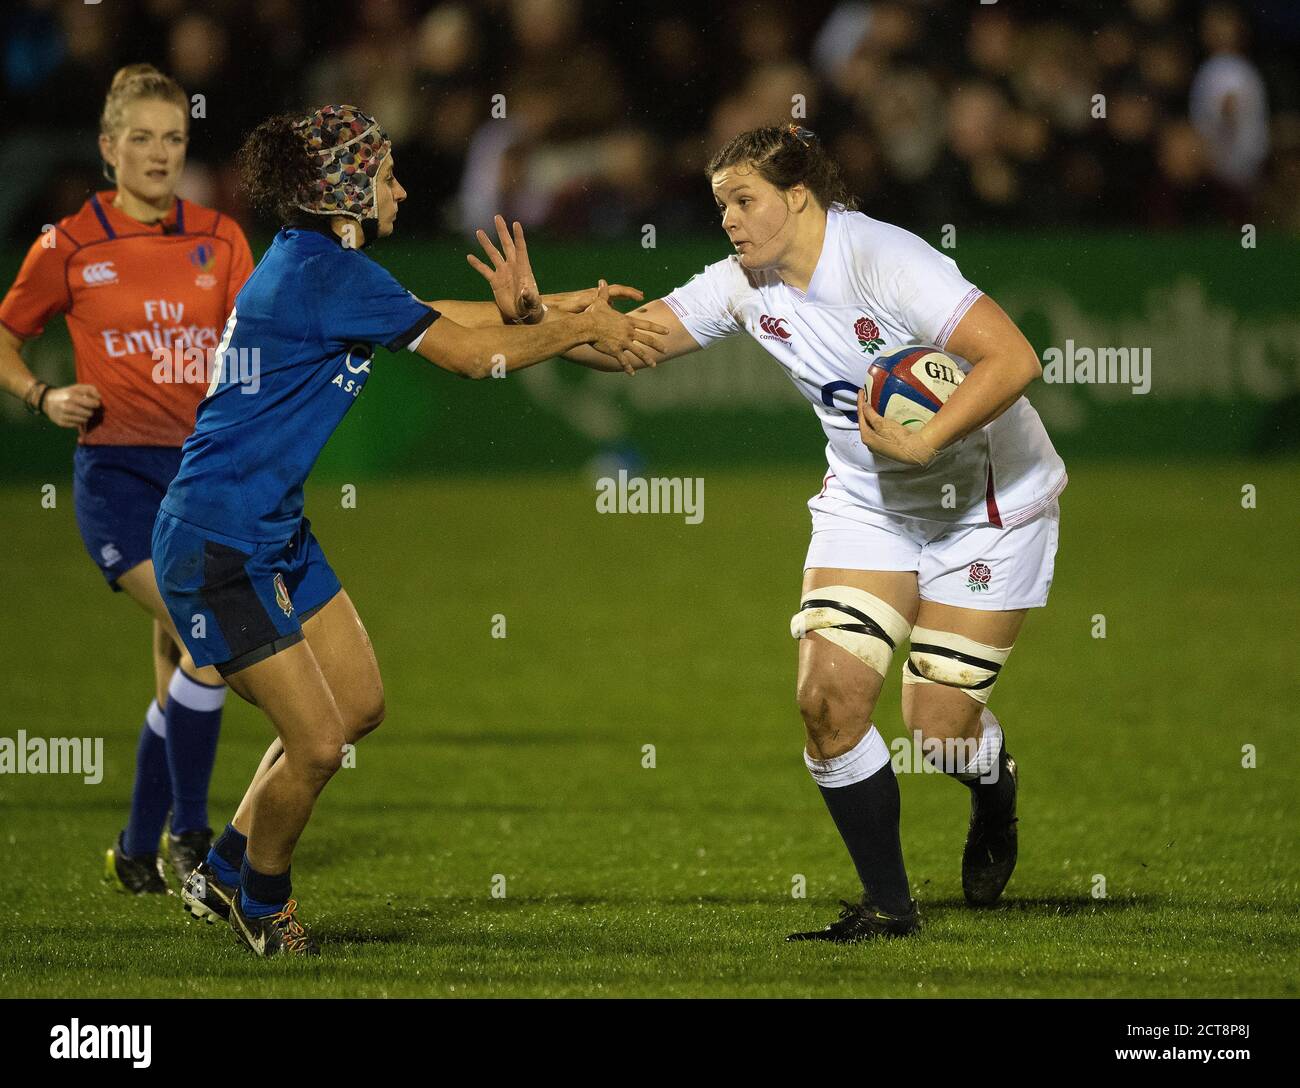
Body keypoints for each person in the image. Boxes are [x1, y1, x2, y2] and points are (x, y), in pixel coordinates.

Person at [482, 123, 1066, 941]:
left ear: (798, 196)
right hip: (870, 505)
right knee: (827, 702)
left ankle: (993, 793)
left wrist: (925, 438)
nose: (728, 220)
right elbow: (631, 345)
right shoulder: (741, 284)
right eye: (720, 204)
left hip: (987, 508)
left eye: (743, 201)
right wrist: (540, 323)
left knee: (935, 731)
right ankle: (890, 909)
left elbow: (1012, 359)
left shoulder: (885, 261)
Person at [159, 104, 665, 956]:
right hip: (218, 540)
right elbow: (470, 358)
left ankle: (225, 865)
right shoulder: (323, 272)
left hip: (269, 529)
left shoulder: (322, 265)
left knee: (357, 706)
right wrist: (583, 327)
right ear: (347, 190)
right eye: (384, 172)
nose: (398, 185)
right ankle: (263, 902)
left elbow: (441, 313)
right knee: (316, 743)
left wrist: (556, 303)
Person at [0, 64, 254, 894]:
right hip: (117, 476)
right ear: (108, 148)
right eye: (140, 138)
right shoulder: (68, 244)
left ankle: (138, 848)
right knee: (208, 646)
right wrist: (42, 393)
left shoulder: (221, 239)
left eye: (172, 138)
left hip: (201, 477)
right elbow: (4, 334)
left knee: (182, 660)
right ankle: (190, 836)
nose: (157, 153)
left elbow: (248, 354)